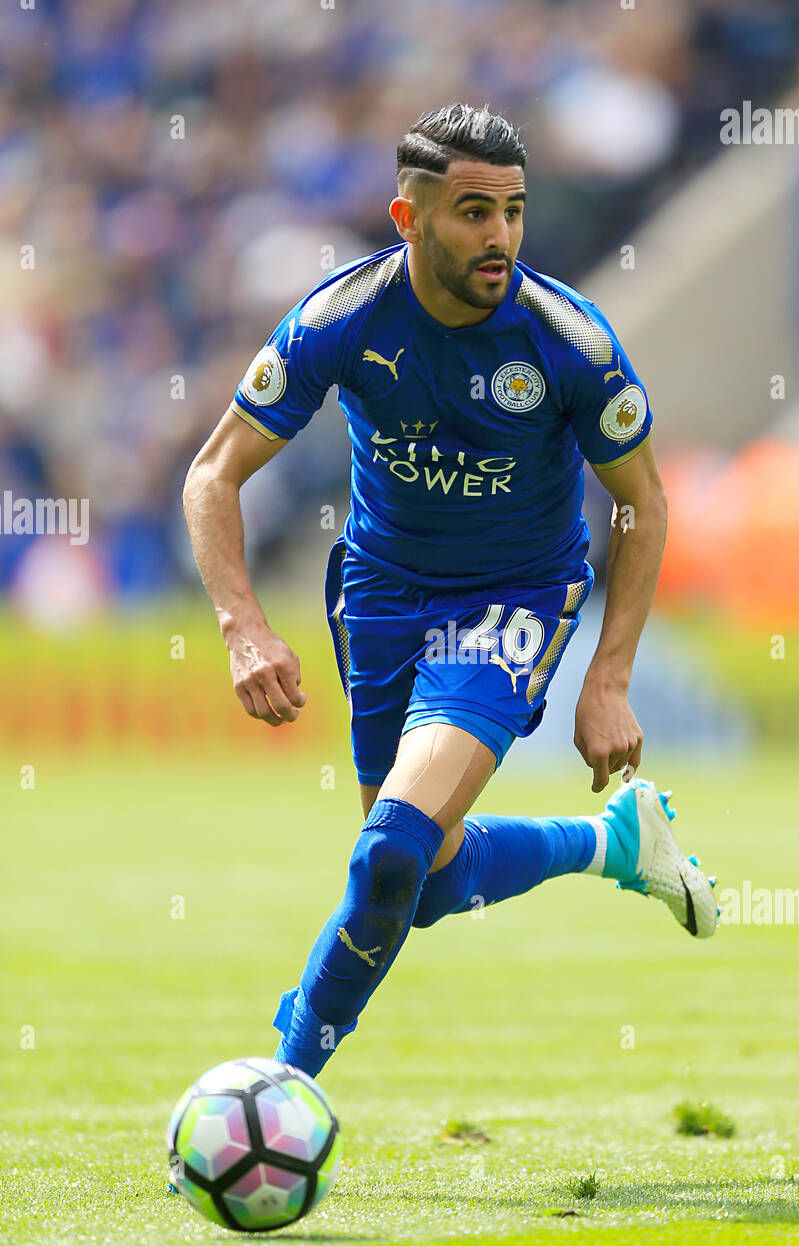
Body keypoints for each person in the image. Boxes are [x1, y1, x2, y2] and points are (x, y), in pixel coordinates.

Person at [182, 103, 717, 1078]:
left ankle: (283, 1082)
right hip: (380, 598)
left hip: (513, 600)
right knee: (418, 881)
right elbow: (213, 475)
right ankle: (610, 845)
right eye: (472, 212)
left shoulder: (567, 341)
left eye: (512, 211)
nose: (499, 236)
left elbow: (641, 500)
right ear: (407, 219)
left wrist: (605, 681)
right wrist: (242, 626)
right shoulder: (341, 321)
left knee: (388, 851)